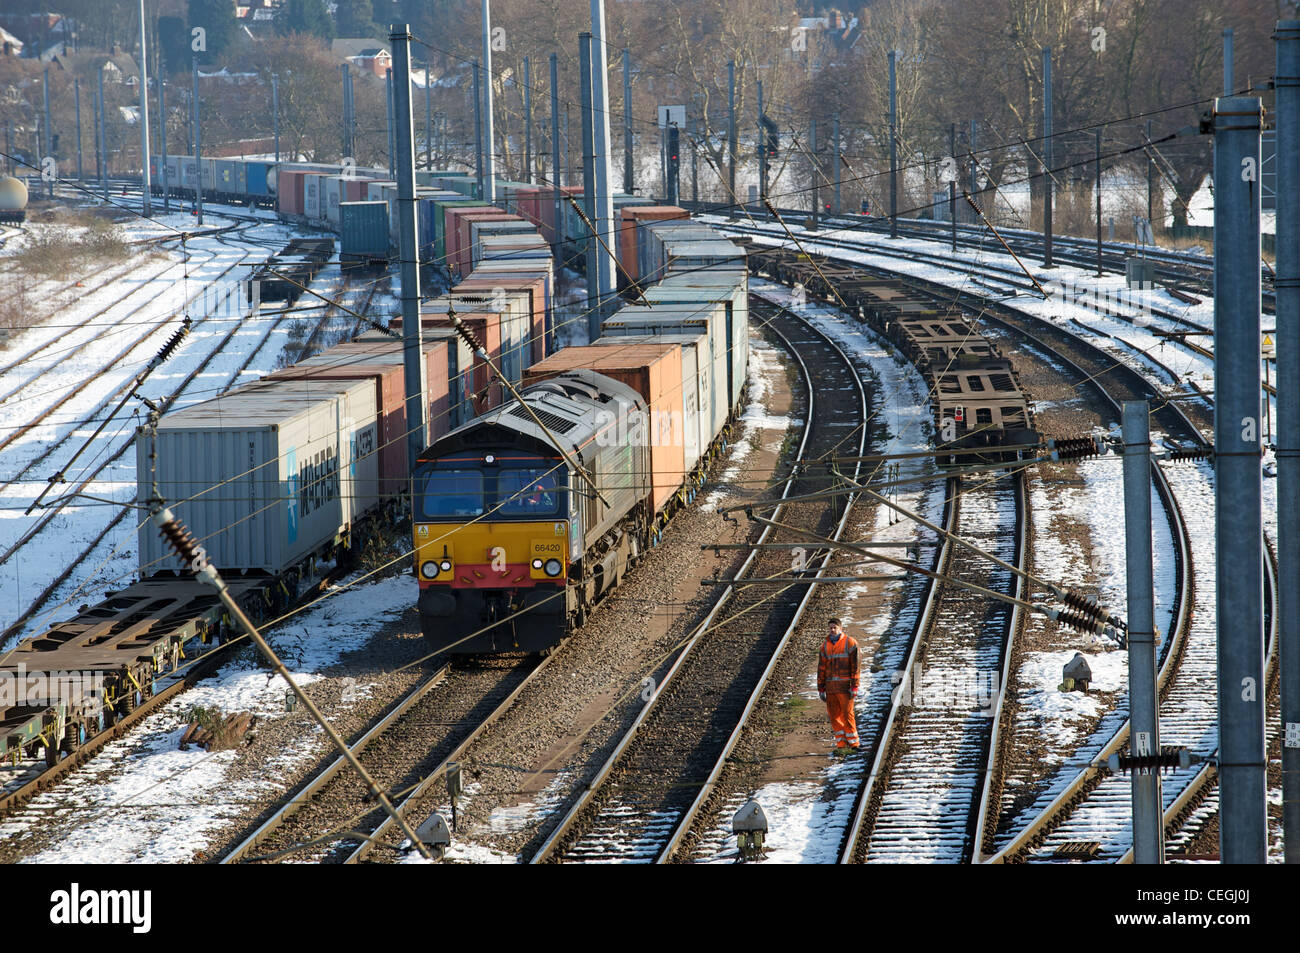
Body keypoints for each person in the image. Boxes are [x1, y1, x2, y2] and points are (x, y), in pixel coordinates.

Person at [817, 618, 859, 751]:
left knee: (848, 715)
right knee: (834, 716)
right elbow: (821, 668)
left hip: (845, 687)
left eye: (834, 628)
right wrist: (821, 688)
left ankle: (854, 744)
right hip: (830, 688)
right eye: (830, 628)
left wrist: (855, 686)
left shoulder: (850, 643)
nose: (832, 630)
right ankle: (841, 744)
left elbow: (856, 666)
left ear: (840, 628)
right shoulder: (824, 646)